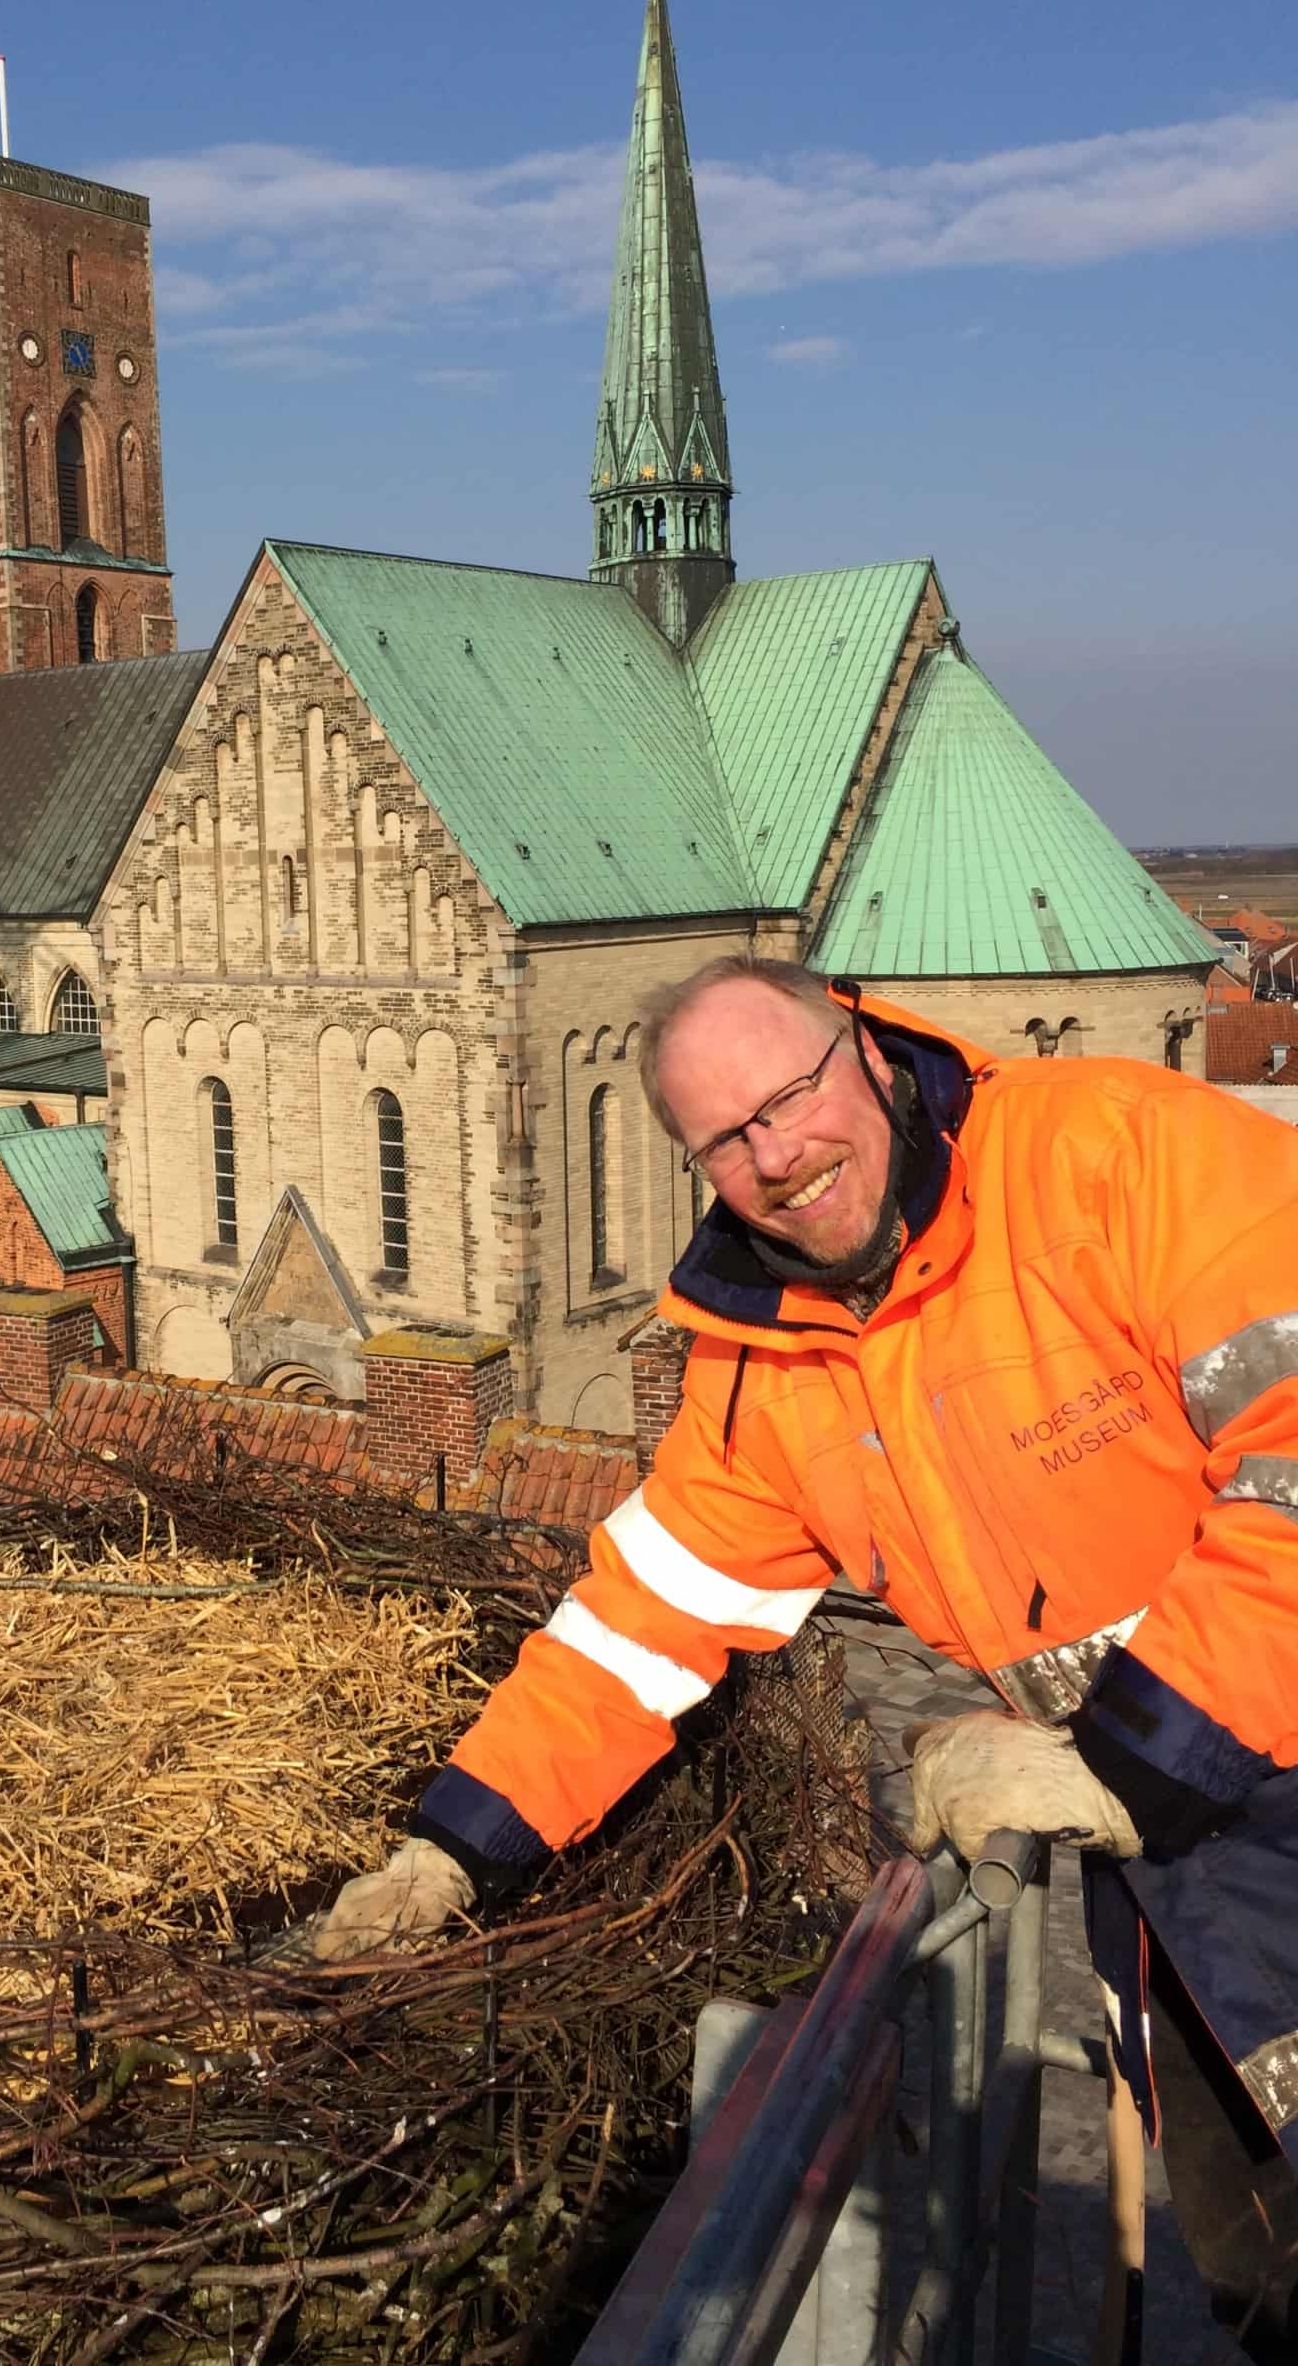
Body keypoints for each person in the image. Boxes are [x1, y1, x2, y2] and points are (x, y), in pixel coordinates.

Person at [310, 956, 1298, 2359]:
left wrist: (1137, 1757)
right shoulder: (765, 1364)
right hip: (1179, 1869)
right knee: (1254, 2259)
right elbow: (639, 1622)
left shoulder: (1113, 1152)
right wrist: (453, 1850)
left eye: (790, 1095)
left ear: (868, 1050)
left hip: (1218, 1769)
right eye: (729, 1137)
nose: (779, 1156)